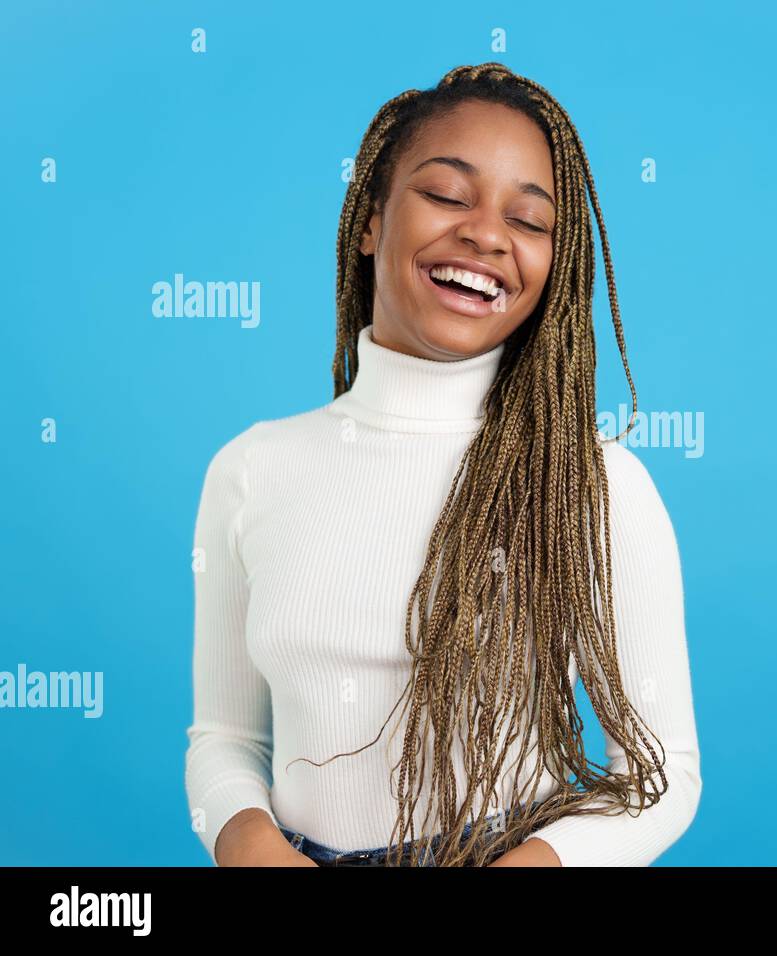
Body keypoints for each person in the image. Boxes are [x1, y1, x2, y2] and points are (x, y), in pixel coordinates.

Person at [184, 62, 702, 867]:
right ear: (370, 218)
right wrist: (251, 845)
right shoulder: (252, 469)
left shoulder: (592, 485)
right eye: (448, 196)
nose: (487, 234)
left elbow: (664, 774)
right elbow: (224, 738)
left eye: (529, 220)